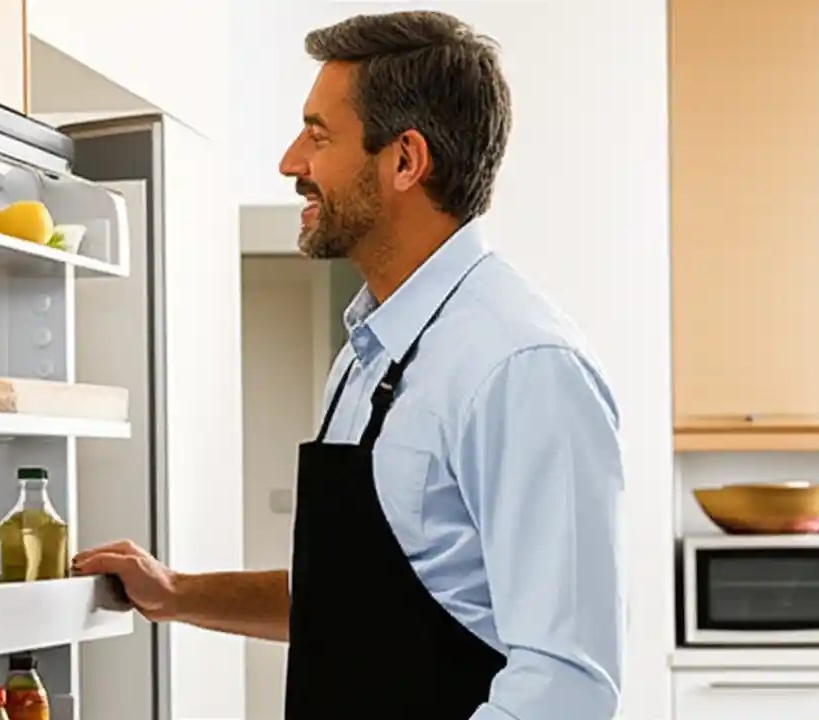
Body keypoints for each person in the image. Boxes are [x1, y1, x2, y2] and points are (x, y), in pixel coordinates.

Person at [73, 9, 625, 719]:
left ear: (405, 160)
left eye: (318, 135)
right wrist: (177, 592)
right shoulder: (370, 351)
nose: (290, 163)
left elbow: (566, 686)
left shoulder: (521, 366)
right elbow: (351, 604)